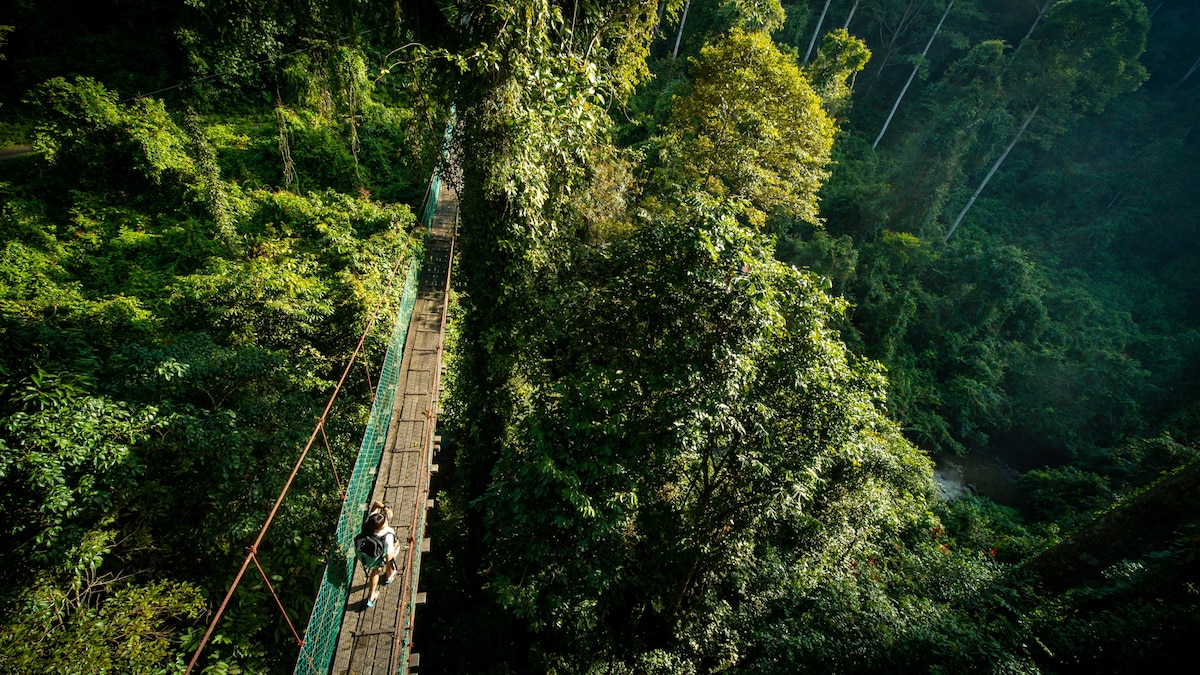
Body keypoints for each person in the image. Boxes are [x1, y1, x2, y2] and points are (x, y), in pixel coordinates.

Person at [362, 500, 397, 608]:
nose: (386, 520)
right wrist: (391, 568)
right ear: (380, 527)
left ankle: (371, 596)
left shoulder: (369, 522)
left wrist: (385, 508)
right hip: (378, 557)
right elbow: (389, 558)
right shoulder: (387, 536)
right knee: (377, 570)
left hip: (366, 553)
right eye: (384, 521)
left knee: (375, 570)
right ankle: (389, 577)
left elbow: (376, 503)